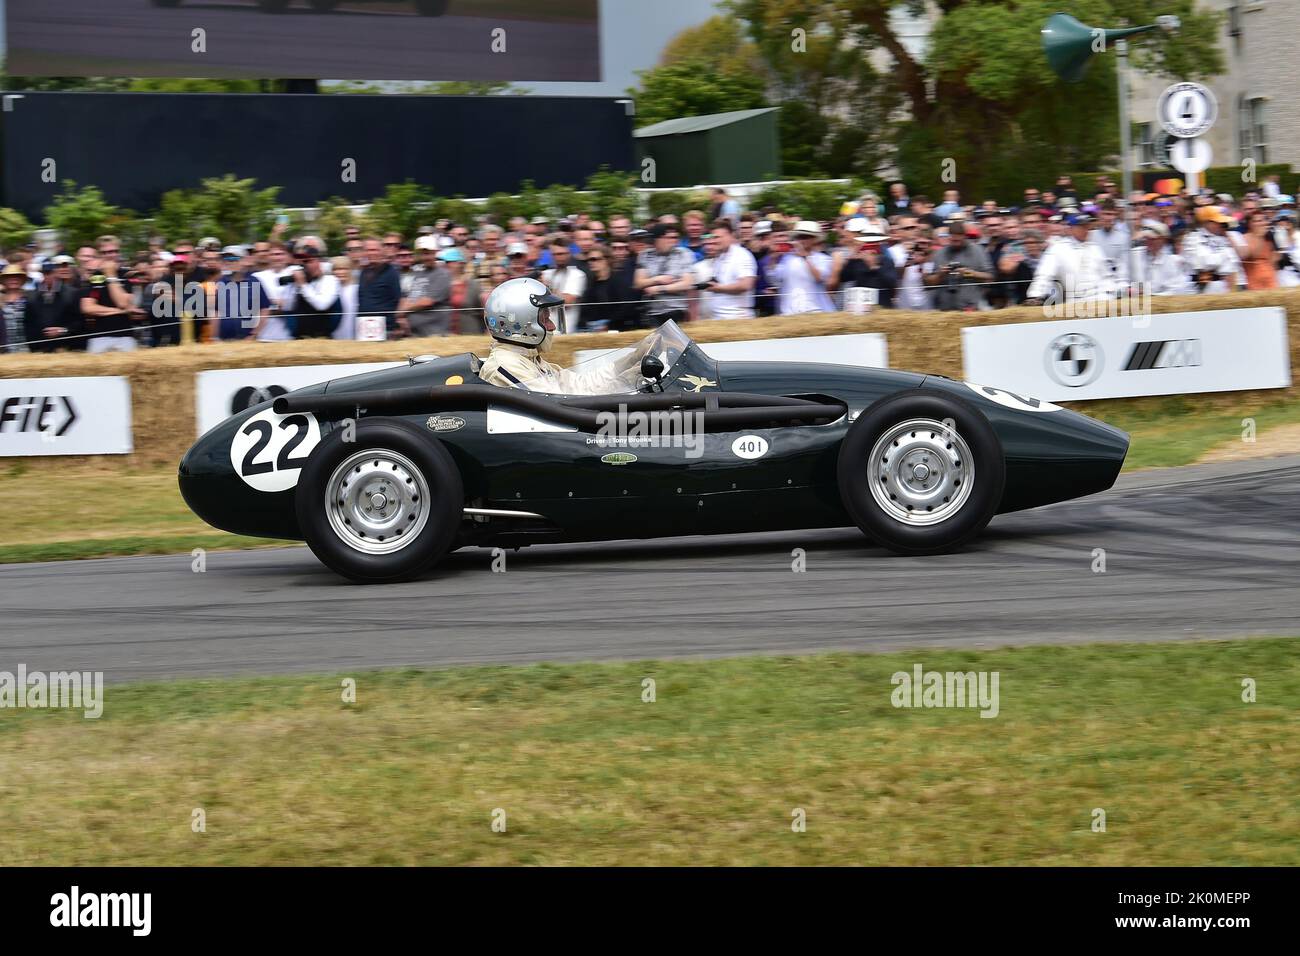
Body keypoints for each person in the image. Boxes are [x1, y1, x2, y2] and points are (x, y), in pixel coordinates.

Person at [478, 277, 641, 393]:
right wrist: (626, 381)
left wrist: (631, 360)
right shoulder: (505, 366)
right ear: (521, 321)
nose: (553, 326)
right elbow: (559, 404)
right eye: (546, 318)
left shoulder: (530, 360)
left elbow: (582, 385)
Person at [1024, 213, 1112, 306]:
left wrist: (1112, 291)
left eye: (1087, 226)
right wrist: (1035, 295)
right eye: (1081, 227)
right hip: (1076, 303)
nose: (1086, 230)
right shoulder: (1058, 249)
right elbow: (1044, 274)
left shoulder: (1095, 248)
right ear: (1071, 229)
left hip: (1102, 299)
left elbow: (1106, 276)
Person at [925, 218, 993, 311]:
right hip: (946, 307)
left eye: (959, 241)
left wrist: (968, 273)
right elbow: (930, 282)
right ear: (949, 237)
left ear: (965, 236)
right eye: (953, 241)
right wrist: (941, 274)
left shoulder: (978, 250)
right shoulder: (940, 253)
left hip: (972, 306)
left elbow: (990, 276)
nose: (956, 244)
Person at [634, 223, 696, 324]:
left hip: (677, 309)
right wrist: (658, 279)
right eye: (669, 238)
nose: (673, 241)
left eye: (675, 237)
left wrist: (659, 289)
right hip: (652, 312)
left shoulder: (683, 253)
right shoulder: (645, 255)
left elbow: (688, 283)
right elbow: (638, 283)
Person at [699, 219, 757, 319]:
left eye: (718, 237)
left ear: (730, 235)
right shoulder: (719, 257)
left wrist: (718, 288)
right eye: (713, 237)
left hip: (737, 319)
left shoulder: (742, 255)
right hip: (718, 318)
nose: (714, 241)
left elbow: (745, 285)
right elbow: (721, 282)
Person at [772, 221, 834, 314]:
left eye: (805, 237)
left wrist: (805, 256)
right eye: (799, 237)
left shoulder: (823, 259)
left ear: (815, 239)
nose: (801, 240)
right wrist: (774, 258)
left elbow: (820, 278)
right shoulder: (787, 258)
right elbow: (775, 279)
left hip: (816, 310)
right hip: (789, 311)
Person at [282, 242, 341, 338]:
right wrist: (292, 286)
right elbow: (287, 308)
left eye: (308, 261)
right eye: (302, 262)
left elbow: (322, 305)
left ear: (318, 262)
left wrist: (303, 285)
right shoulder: (300, 281)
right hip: (300, 338)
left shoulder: (330, 280)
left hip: (322, 339)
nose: (305, 266)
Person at [1182, 206, 1245, 294]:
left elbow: (1241, 258)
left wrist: (1228, 238)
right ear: (1206, 222)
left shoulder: (1230, 236)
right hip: (1206, 289)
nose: (1222, 224)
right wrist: (1225, 256)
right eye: (1218, 222)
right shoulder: (1193, 238)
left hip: (1235, 286)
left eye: (1224, 222)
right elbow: (1202, 263)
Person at [356, 237, 404, 335]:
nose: (371, 253)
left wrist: (398, 323)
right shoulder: (363, 272)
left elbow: (399, 299)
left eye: (374, 250)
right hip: (364, 326)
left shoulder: (391, 272)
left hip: (386, 327)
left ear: (381, 251)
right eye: (368, 250)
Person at [540, 238, 586, 332]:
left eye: (563, 253)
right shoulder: (545, 274)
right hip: (544, 330)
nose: (560, 257)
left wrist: (545, 287)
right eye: (556, 254)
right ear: (551, 255)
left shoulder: (577, 274)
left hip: (567, 330)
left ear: (569, 254)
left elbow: (567, 301)